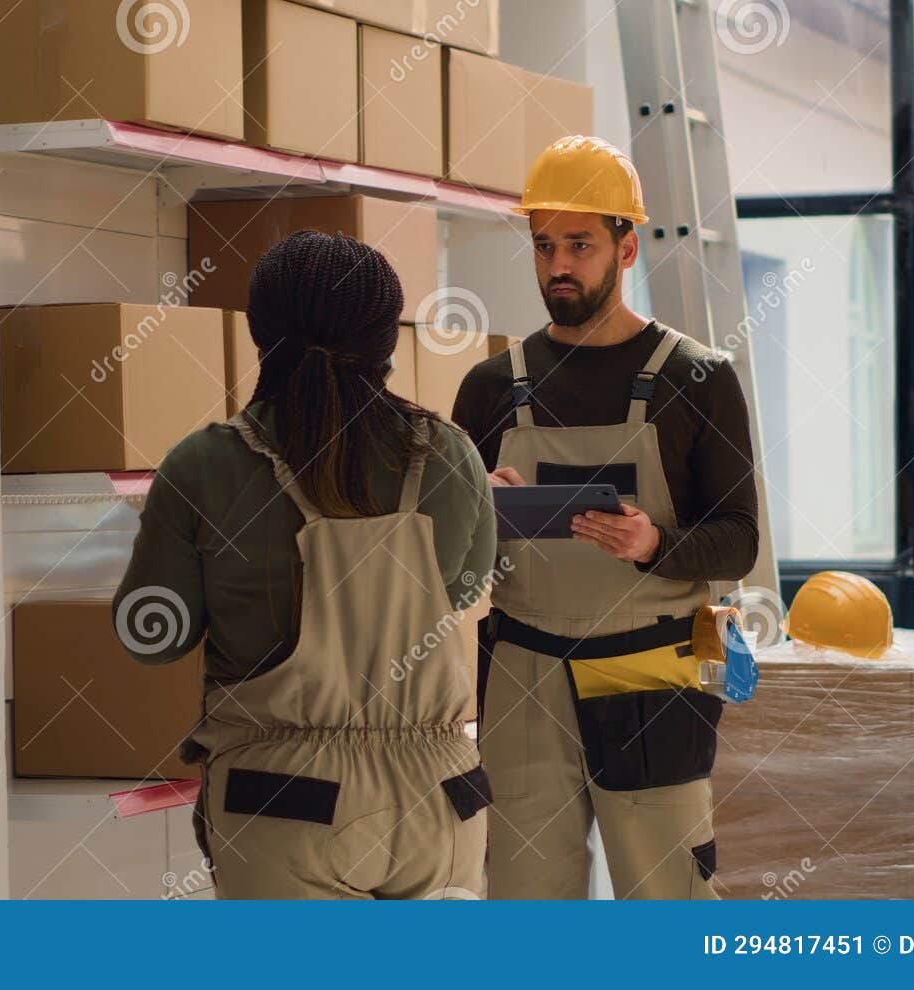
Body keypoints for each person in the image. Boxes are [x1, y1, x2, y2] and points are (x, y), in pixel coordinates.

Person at [113, 230, 497, 899]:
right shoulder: (450, 452)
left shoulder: (204, 464)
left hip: (286, 801)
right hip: (441, 800)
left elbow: (153, 640)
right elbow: (462, 590)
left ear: (260, 335)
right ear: (387, 341)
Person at [450, 136, 761, 899]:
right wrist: (476, 509)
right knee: (526, 904)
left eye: (580, 244)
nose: (558, 265)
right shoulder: (490, 386)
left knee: (668, 900)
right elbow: (448, 560)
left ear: (626, 248)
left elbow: (739, 541)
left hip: (654, 668)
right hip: (524, 671)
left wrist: (655, 542)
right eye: (544, 245)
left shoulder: (698, 378)